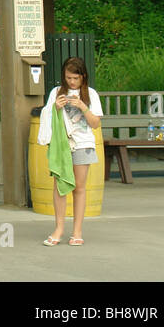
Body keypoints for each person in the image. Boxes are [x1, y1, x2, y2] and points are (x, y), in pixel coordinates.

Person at [39, 57, 103, 246]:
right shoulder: (56, 92)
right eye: (68, 78)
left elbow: (96, 124)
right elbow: (47, 115)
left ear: (83, 77)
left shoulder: (91, 94)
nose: (72, 82)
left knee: (79, 188)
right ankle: (58, 229)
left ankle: (77, 231)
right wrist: (56, 107)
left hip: (83, 143)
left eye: (75, 78)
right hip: (62, 144)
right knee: (60, 186)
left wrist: (83, 107)